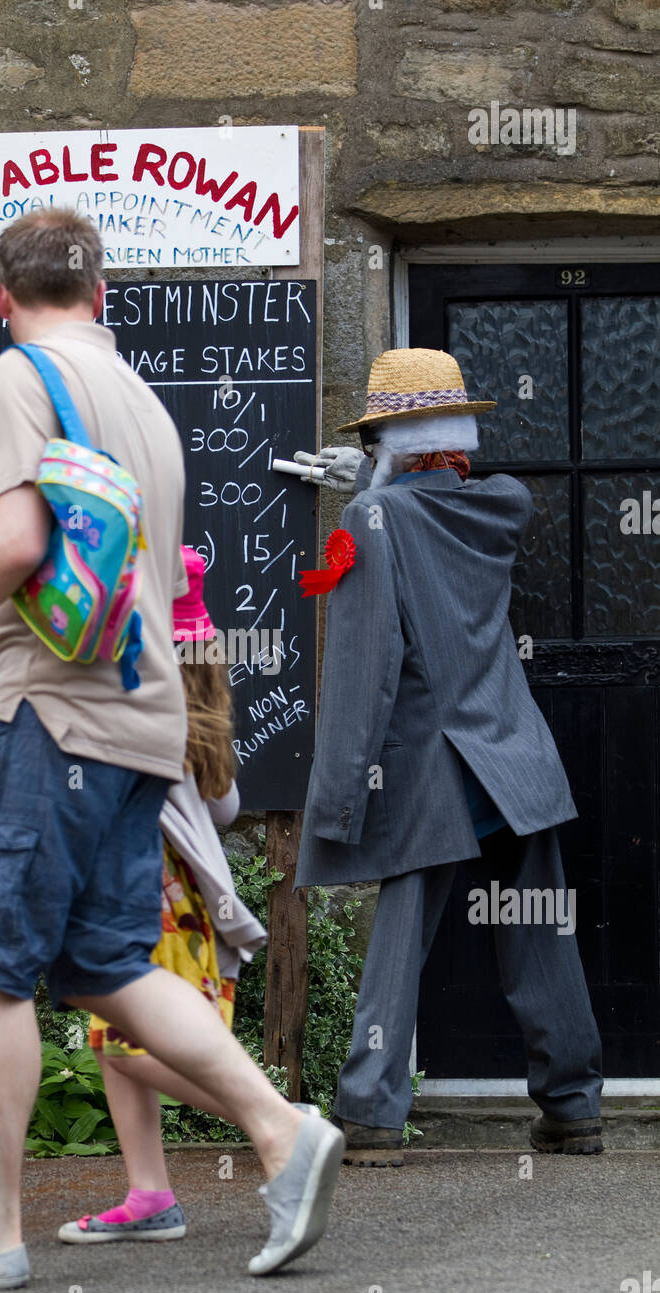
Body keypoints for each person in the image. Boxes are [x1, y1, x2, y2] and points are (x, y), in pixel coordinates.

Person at [0, 209, 344, 1288]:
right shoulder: (148, 409)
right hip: (140, 728)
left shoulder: (24, 374)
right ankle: (279, 1128)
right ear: (105, 295)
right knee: (105, 962)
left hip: (44, 712)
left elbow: (19, 538)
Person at [294, 348, 603, 1166]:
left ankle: (369, 1113)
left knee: (400, 935)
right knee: (541, 929)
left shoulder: (371, 523)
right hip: (515, 753)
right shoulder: (497, 507)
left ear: (392, 438)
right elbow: (434, 519)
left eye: (372, 443)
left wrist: (336, 803)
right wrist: (374, 492)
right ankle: (573, 1107)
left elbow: (364, 670)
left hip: (430, 765)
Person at [61, 546, 268, 1243]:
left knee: (127, 1046)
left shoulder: (148, 704)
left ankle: (286, 1123)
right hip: (180, 909)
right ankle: (150, 1194)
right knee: (113, 1044)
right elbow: (227, 807)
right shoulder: (196, 708)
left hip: (155, 900)